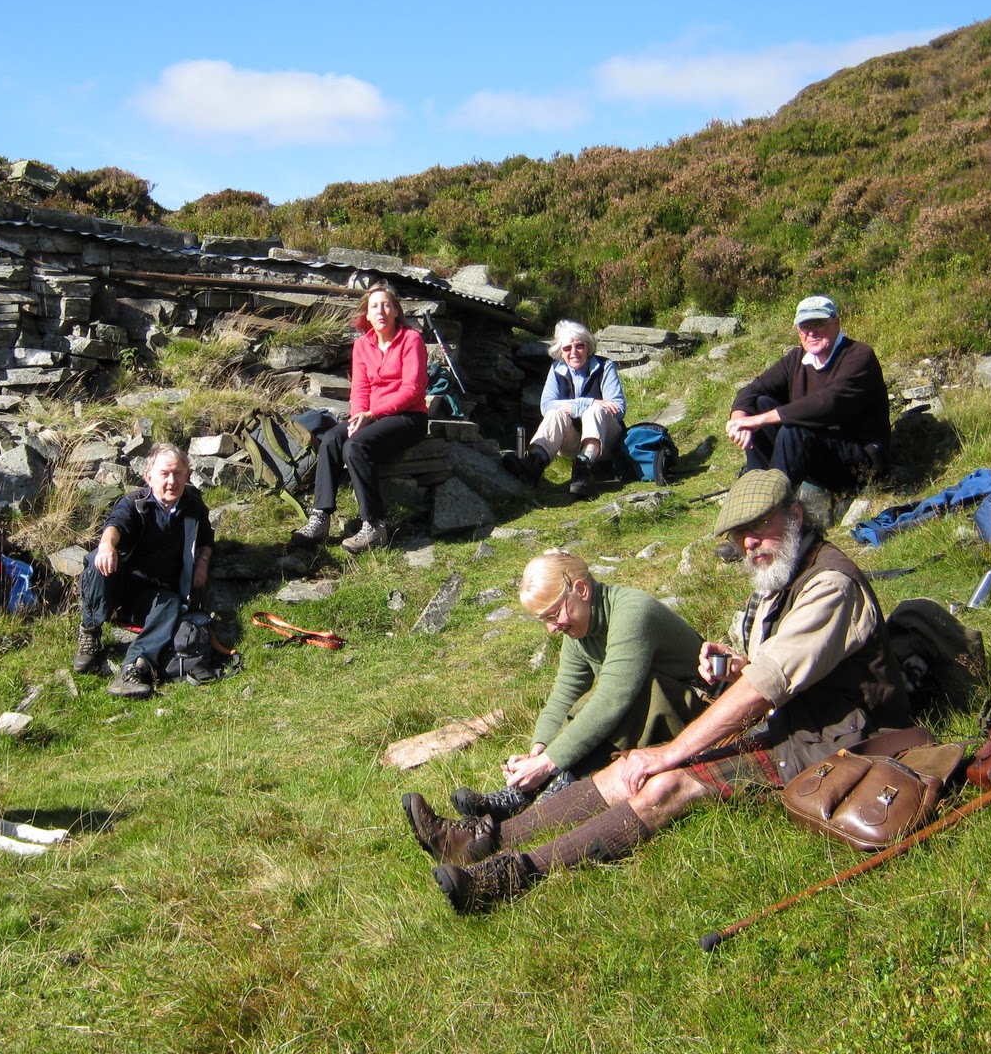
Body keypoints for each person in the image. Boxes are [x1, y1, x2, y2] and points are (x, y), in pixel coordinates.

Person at [407, 469, 914, 913]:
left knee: (665, 783)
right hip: (791, 724)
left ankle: (510, 876)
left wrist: (671, 752)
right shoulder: (784, 579)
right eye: (741, 535)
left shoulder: (829, 584)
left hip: (840, 741)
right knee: (630, 766)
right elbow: (768, 672)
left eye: (762, 525)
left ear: (797, 514)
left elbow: (766, 686)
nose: (751, 544)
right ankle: (481, 841)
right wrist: (733, 667)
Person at [420, 549, 706, 847]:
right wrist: (538, 749)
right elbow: (565, 693)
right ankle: (522, 796)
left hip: (694, 713)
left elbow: (613, 701)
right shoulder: (581, 627)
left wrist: (548, 763)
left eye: (554, 614)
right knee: (589, 703)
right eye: (544, 619)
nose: (552, 628)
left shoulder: (633, 612)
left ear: (581, 590)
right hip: (655, 717)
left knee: (628, 696)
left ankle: (532, 803)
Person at [291, 282, 428, 554]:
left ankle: (374, 524)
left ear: (397, 311)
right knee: (331, 439)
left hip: (408, 416)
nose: (381, 311)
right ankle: (320, 516)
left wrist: (371, 415)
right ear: (367, 314)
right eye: (375, 306)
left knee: (355, 446)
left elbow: (412, 389)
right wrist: (357, 419)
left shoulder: (411, 340)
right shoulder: (362, 346)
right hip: (372, 415)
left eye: (387, 305)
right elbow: (361, 389)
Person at [74, 442, 215, 699]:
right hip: (121, 588)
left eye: (177, 473)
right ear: (149, 477)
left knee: (171, 604)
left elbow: (207, 540)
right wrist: (106, 545)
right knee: (97, 559)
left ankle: (133, 670)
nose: (171, 481)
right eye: (164, 474)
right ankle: (90, 633)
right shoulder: (134, 503)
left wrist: (202, 562)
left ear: (187, 475)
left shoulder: (193, 506)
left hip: (156, 597)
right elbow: (115, 524)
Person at [725, 295, 890, 492]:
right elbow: (753, 389)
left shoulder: (859, 356)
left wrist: (761, 420)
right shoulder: (796, 358)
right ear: (798, 330)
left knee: (794, 430)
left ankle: (775, 503)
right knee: (759, 404)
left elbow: (827, 403)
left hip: (859, 458)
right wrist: (739, 420)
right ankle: (756, 490)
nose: (811, 332)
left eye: (818, 323)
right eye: (804, 326)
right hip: (816, 449)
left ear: (836, 322)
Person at [502, 319, 626, 499]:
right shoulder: (556, 369)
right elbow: (546, 406)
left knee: (596, 411)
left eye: (579, 346)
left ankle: (583, 468)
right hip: (571, 441)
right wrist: (589, 402)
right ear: (560, 351)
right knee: (555, 413)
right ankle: (533, 464)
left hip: (606, 440)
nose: (574, 352)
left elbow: (618, 409)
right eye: (567, 348)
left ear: (588, 347)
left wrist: (577, 406)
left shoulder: (605, 366)